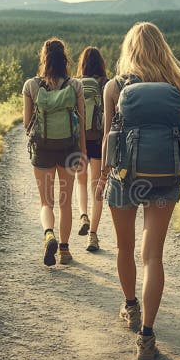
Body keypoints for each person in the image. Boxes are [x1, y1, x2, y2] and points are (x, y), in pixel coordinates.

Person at [96, 22, 180, 360]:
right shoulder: (176, 86)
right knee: (153, 256)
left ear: (128, 49)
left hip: (125, 178)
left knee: (125, 247)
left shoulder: (115, 86)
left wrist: (102, 177)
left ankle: (130, 307)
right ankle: (147, 334)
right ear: (163, 49)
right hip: (165, 181)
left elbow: (107, 138)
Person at [23, 37, 87, 266]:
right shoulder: (75, 85)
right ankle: (65, 250)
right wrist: (83, 153)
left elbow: (26, 123)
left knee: (46, 202)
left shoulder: (32, 85)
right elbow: (81, 123)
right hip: (69, 149)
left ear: (44, 58)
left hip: (42, 149)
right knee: (65, 202)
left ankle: (49, 233)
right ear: (65, 59)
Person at [74, 47, 108, 252]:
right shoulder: (106, 84)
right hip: (99, 141)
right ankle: (93, 236)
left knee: (81, 181)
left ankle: (83, 215)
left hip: (80, 140)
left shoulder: (76, 84)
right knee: (97, 187)